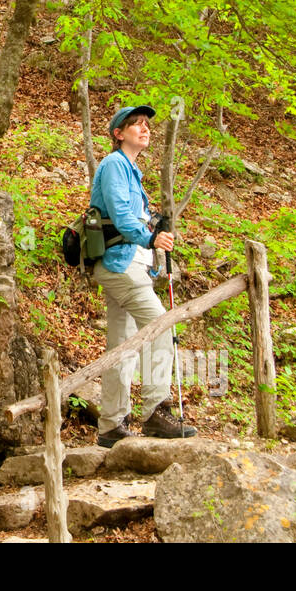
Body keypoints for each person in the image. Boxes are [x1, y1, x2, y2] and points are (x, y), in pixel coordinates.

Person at [89, 104, 197, 447]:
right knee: (159, 324)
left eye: (147, 124)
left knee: (122, 345)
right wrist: (150, 236)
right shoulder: (114, 166)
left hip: (127, 262)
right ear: (118, 134)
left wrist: (152, 223)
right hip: (119, 264)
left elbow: (131, 215)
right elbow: (121, 216)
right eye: (136, 125)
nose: (145, 129)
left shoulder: (130, 170)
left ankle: (110, 426)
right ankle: (154, 412)